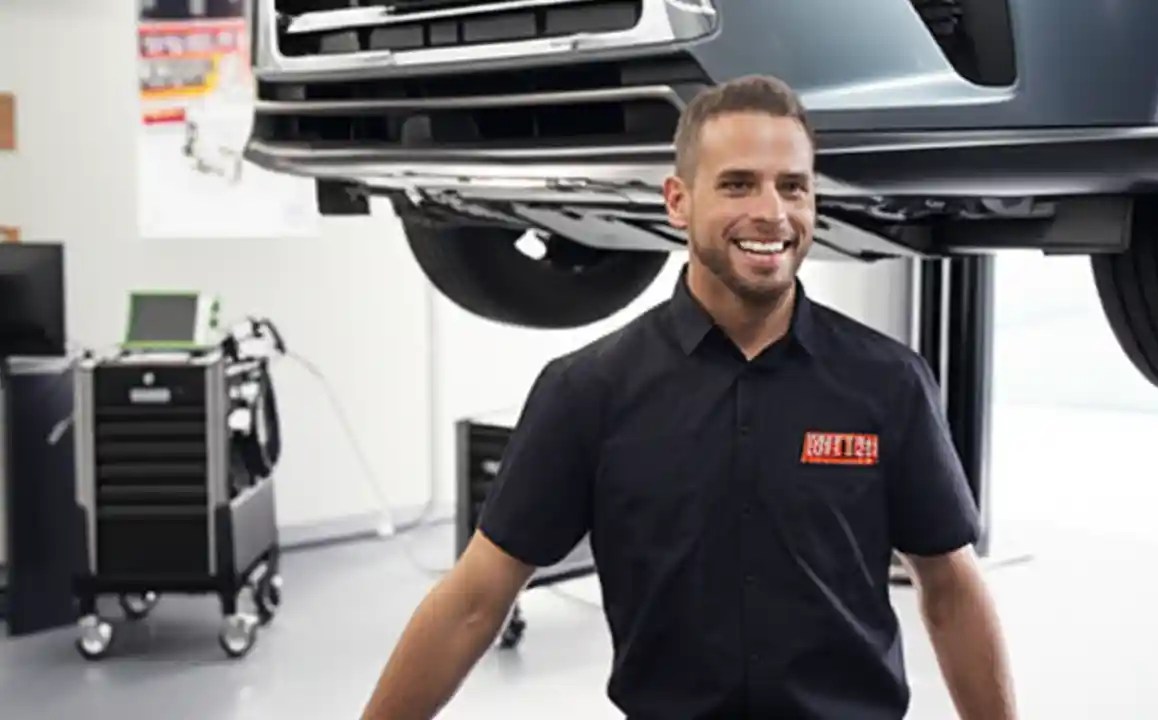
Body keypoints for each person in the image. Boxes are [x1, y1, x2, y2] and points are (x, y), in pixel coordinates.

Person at [360, 75, 1018, 720]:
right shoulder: (587, 392)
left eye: (793, 187)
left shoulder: (889, 383)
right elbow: (475, 601)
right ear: (678, 201)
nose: (772, 212)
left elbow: (951, 591)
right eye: (738, 184)